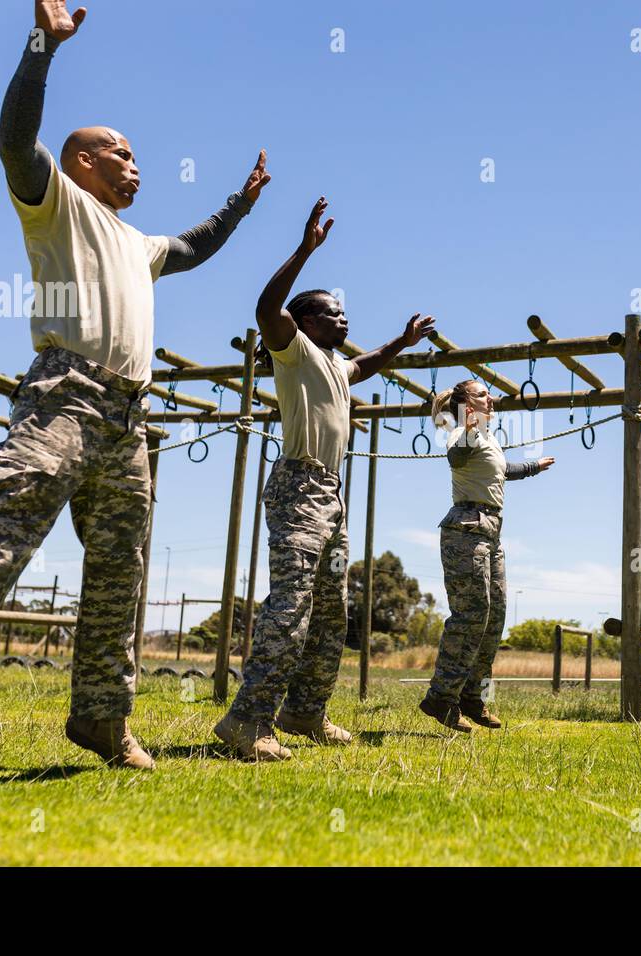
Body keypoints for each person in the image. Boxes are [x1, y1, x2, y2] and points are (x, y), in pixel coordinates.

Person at [0, 0, 270, 794]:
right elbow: (14, 140)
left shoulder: (138, 244)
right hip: (63, 401)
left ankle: (101, 719)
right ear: (83, 164)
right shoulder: (55, 202)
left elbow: (196, 245)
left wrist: (241, 205)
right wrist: (42, 46)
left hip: (128, 419)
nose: (134, 162)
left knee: (120, 573)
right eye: (120, 151)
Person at [213, 197, 435, 761]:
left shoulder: (336, 366)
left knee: (332, 613)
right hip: (298, 489)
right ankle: (247, 719)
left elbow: (368, 362)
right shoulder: (292, 351)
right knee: (293, 604)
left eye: (344, 314)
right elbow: (266, 306)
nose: (344, 320)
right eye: (332, 313)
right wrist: (304, 250)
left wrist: (401, 344)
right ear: (305, 321)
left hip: (330, 495)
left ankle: (305, 710)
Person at [419, 380, 553, 732]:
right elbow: (456, 457)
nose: (489, 398)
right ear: (466, 403)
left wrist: (535, 466)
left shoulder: (488, 438)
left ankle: (472, 698)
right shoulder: (460, 433)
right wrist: (467, 428)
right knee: (470, 616)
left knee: (494, 619)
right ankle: (441, 697)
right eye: (481, 395)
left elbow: (502, 471)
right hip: (466, 532)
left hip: (491, 534)